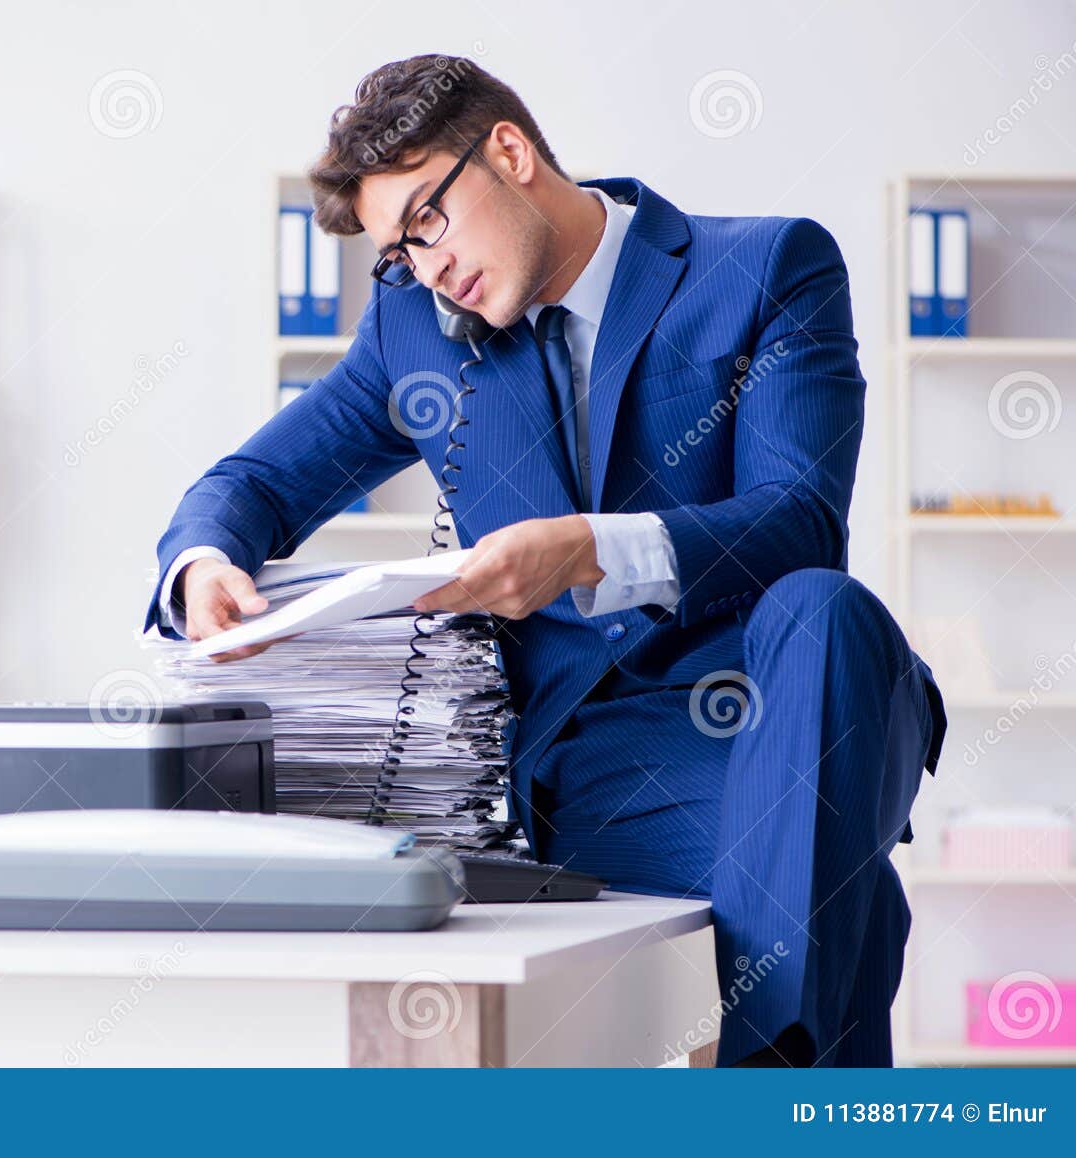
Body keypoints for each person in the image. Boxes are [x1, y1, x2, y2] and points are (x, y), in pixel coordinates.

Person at [141, 55, 945, 1067]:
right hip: (606, 765)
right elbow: (254, 480)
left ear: (510, 153)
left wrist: (591, 551)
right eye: (397, 255)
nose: (426, 270)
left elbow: (799, 517)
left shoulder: (766, 267)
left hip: (802, 705)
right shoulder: (415, 334)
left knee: (825, 607)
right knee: (850, 895)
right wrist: (202, 561)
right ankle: (776, 1094)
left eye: (427, 222)